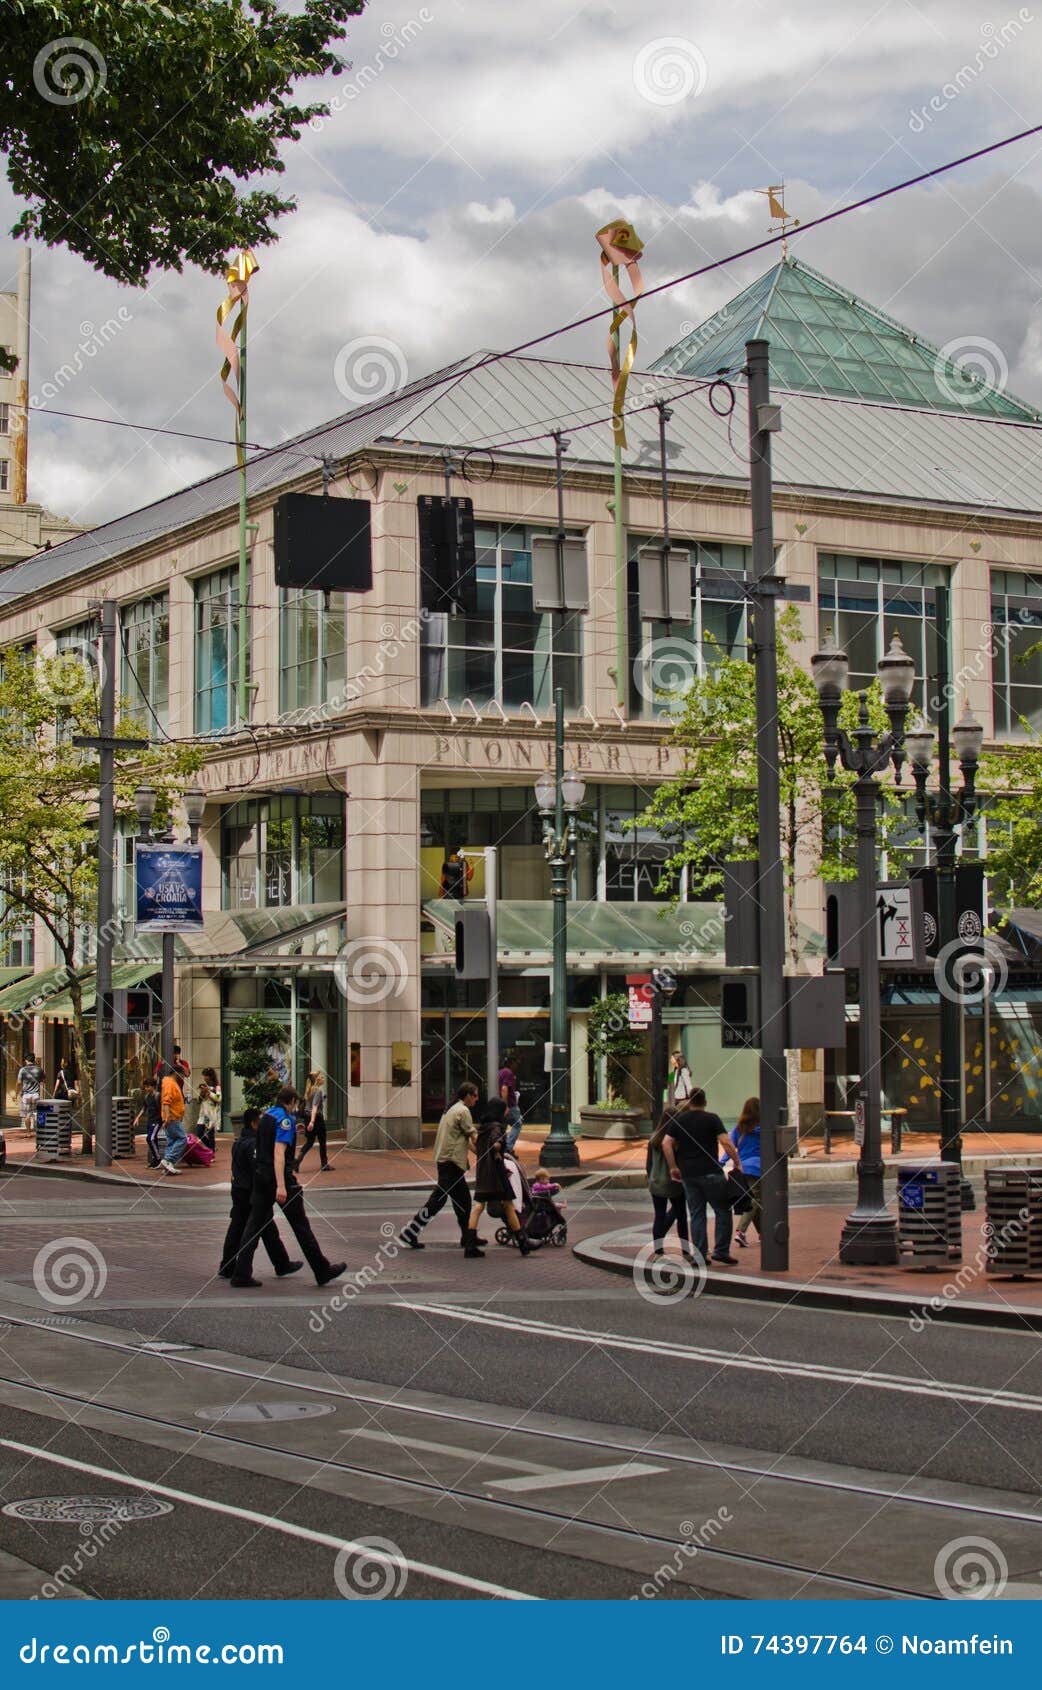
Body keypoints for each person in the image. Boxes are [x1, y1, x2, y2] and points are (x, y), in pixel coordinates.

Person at [230, 1085, 346, 1288]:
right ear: (291, 1101)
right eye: (295, 1104)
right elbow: (279, 1152)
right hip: (278, 1178)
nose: (295, 1109)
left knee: (254, 1225)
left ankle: (241, 1272)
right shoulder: (285, 1120)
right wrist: (282, 1185)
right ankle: (321, 1269)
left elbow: (264, 1145)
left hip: (261, 1177)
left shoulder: (267, 1117)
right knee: (301, 1226)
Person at [219, 1108, 302, 1280]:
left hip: (239, 1190)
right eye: (261, 1121)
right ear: (254, 1123)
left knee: (243, 1228)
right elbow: (258, 1169)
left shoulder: (239, 1141)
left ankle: (228, 1265)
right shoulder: (253, 1145)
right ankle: (279, 1264)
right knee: (260, 1229)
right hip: (251, 1193)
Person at [662, 1086, 743, 1265]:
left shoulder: (680, 1120)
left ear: (689, 1101)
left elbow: (666, 1143)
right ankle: (721, 1251)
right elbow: (726, 1142)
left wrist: (673, 1167)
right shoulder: (712, 1119)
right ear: (705, 1102)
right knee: (722, 1211)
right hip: (711, 1172)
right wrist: (737, 1162)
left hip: (689, 1175)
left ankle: (699, 1254)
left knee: (697, 1214)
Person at [401, 1082, 479, 1249]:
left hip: (447, 1161)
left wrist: (480, 1154)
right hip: (451, 1162)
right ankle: (410, 1233)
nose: (477, 1099)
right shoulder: (463, 1111)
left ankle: (468, 1236)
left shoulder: (452, 1109)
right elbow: (473, 1137)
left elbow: (464, 1139)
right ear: (467, 1095)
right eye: (475, 1095)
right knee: (438, 1200)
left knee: (463, 1200)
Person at [464, 1097, 531, 1257]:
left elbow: (477, 1148)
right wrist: (497, 1150)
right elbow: (496, 1143)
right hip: (497, 1174)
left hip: (483, 1173)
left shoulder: (483, 1128)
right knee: (508, 1205)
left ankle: (470, 1245)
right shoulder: (497, 1127)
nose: (507, 1111)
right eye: (505, 1109)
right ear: (499, 1111)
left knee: (479, 1206)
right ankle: (523, 1242)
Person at [646, 1112, 695, 1260]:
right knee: (681, 1216)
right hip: (674, 1183)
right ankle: (685, 1252)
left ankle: (658, 1251)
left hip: (656, 1181)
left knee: (659, 1216)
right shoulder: (675, 1140)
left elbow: (649, 1163)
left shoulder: (653, 1137)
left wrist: (650, 1177)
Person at [730, 1096, 762, 1247]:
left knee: (754, 1201)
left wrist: (723, 1163)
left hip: (742, 1168)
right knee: (756, 1200)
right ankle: (740, 1231)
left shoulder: (739, 1128)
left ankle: (763, 1233)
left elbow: (730, 1146)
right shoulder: (763, 1128)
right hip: (758, 1168)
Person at [296, 1070, 332, 1172]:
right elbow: (315, 1107)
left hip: (307, 1116)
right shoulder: (318, 1091)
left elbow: (311, 1103)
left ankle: (298, 1159)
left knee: (310, 1141)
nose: (323, 1078)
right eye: (321, 1077)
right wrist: (312, 1122)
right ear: (317, 1080)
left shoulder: (309, 1090)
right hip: (316, 1118)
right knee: (322, 1141)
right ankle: (324, 1164)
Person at [158, 1064, 188, 1176]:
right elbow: (166, 1101)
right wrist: (168, 1117)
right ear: (177, 1073)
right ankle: (168, 1160)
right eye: (183, 1075)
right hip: (172, 1118)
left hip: (172, 1117)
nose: (183, 1078)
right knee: (182, 1139)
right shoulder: (170, 1084)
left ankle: (167, 1166)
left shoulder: (170, 1083)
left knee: (172, 1141)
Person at [134, 1077, 163, 1168]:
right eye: (145, 1087)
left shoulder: (158, 1096)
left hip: (157, 1120)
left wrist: (164, 1120)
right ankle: (155, 1159)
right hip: (150, 1120)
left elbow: (162, 1108)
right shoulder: (147, 1097)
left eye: (148, 1087)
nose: (146, 1089)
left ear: (153, 1086)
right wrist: (138, 1117)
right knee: (153, 1139)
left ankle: (158, 1159)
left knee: (150, 1139)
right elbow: (144, 1107)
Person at [499, 1054, 523, 1153]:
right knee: (517, 1124)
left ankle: (502, 1147)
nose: (517, 1066)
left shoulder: (500, 1072)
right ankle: (508, 1148)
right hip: (510, 1105)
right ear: (511, 1063)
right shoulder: (508, 1072)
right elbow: (504, 1089)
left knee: (503, 1127)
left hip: (501, 1104)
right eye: (516, 1063)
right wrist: (506, 1106)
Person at [16, 1053, 44, 1133]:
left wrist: (16, 1093)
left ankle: (28, 1132)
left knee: (27, 1115)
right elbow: (44, 1080)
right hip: (36, 1094)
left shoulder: (22, 1070)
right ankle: (39, 1130)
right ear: (34, 1060)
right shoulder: (39, 1069)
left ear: (26, 1060)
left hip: (26, 1095)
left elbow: (18, 1082)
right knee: (37, 1113)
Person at [195, 1073, 220, 1153]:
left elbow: (218, 1099)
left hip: (211, 1114)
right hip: (203, 1114)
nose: (204, 1077)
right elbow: (199, 1101)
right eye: (204, 1076)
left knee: (210, 1134)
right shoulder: (204, 1086)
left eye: (206, 1075)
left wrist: (209, 1093)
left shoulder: (217, 1087)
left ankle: (211, 1152)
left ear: (211, 1076)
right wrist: (202, 1093)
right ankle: (211, 1148)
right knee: (199, 1132)